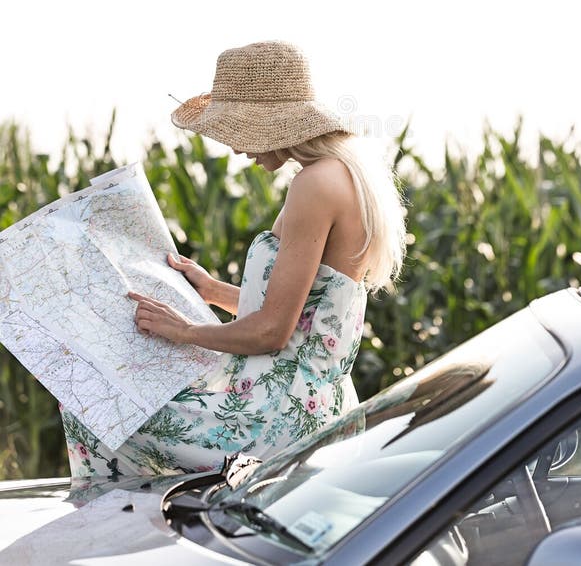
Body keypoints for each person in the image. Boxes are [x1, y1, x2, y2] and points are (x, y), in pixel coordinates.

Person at [59, 40, 407, 477]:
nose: (239, 150)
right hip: (314, 402)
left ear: (272, 124)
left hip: (274, 414)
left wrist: (183, 331)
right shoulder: (346, 178)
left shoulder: (314, 186)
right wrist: (210, 289)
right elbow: (305, 313)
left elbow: (273, 332)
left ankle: (132, 535)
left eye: (242, 133)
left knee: (91, 405)